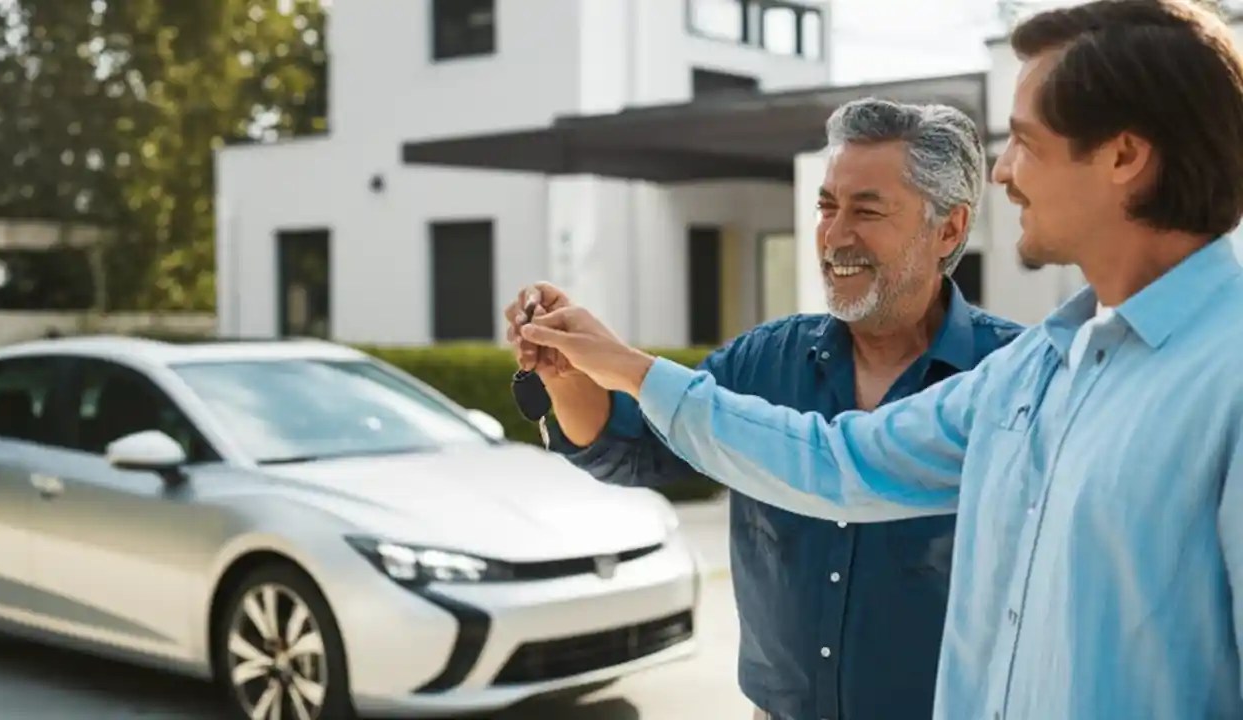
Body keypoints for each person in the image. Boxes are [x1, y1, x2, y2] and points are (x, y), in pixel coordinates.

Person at [515, 1, 1243, 717]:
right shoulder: (1044, 369)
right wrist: (620, 368)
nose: (1003, 174)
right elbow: (837, 463)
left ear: (1123, 155)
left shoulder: (1221, 375)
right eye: (827, 206)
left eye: (1025, 140)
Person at [506, 98, 1022, 720]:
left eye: (867, 210)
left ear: (949, 229)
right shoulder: (763, 362)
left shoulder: (1012, 379)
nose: (835, 235)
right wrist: (566, 370)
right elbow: (633, 449)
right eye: (827, 207)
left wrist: (628, 363)